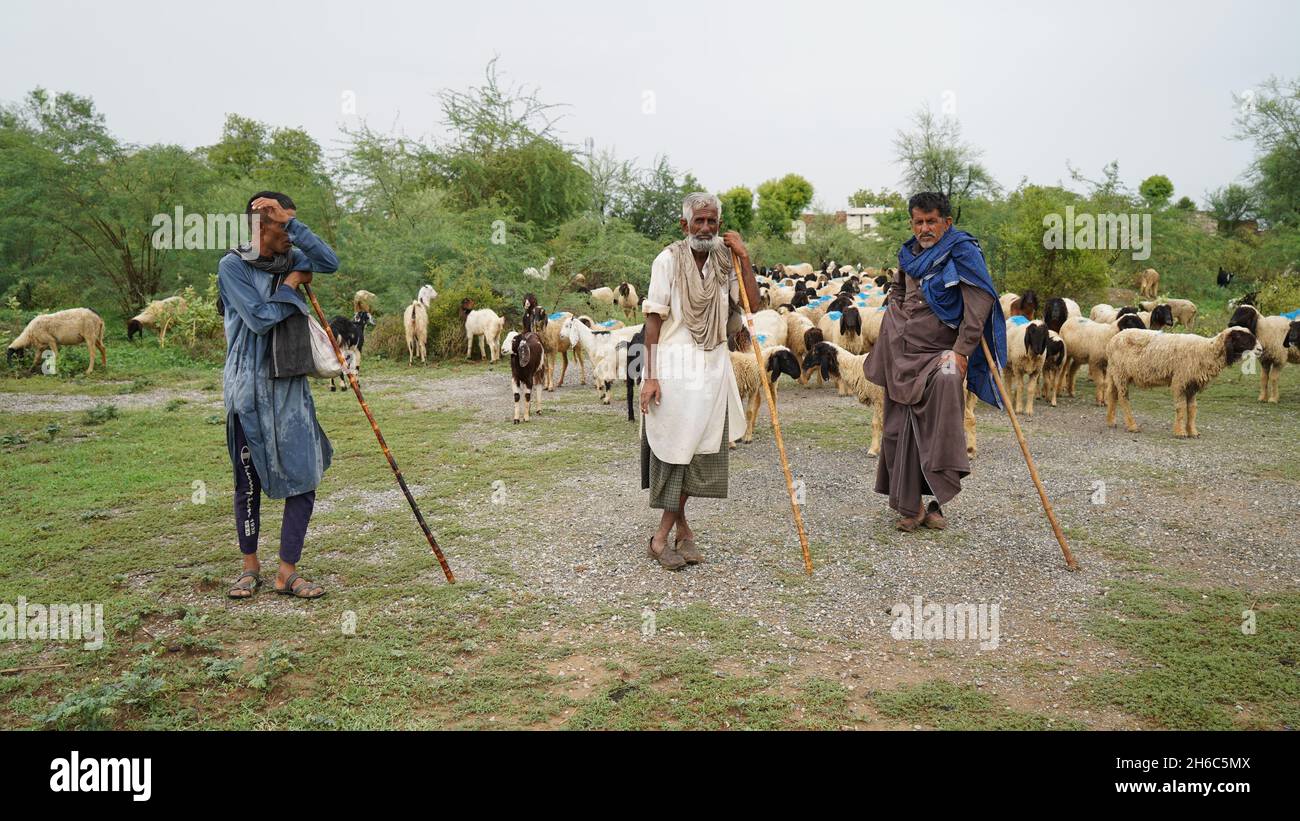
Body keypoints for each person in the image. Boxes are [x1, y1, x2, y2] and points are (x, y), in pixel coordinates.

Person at [219, 191, 339, 598]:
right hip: (247, 390)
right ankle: (249, 567)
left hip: (290, 389)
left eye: (291, 225)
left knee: (305, 475)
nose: (289, 234)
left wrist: (294, 224)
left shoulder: (293, 253)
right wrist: (290, 286)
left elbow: (329, 263)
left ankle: (287, 571)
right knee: (248, 480)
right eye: (280, 225)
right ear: (259, 226)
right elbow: (258, 318)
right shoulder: (232, 266)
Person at [863, 191, 1006, 531]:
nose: (924, 228)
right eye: (918, 222)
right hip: (903, 352)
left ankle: (936, 502)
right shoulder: (909, 254)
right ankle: (910, 507)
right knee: (898, 429)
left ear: (947, 222)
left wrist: (960, 352)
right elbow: (899, 289)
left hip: (941, 354)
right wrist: (893, 313)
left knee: (939, 423)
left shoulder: (963, 253)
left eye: (931, 221)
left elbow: (979, 304)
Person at [639, 192, 760, 570]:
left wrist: (745, 257)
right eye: (699, 221)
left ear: (719, 225)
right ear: (684, 225)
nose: (705, 228)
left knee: (699, 453)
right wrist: (650, 375)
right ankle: (661, 538)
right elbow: (653, 321)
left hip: (712, 369)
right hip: (674, 372)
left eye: (712, 221)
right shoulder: (667, 261)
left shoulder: (727, 261)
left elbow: (753, 306)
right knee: (676, 452)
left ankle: (682, 532)